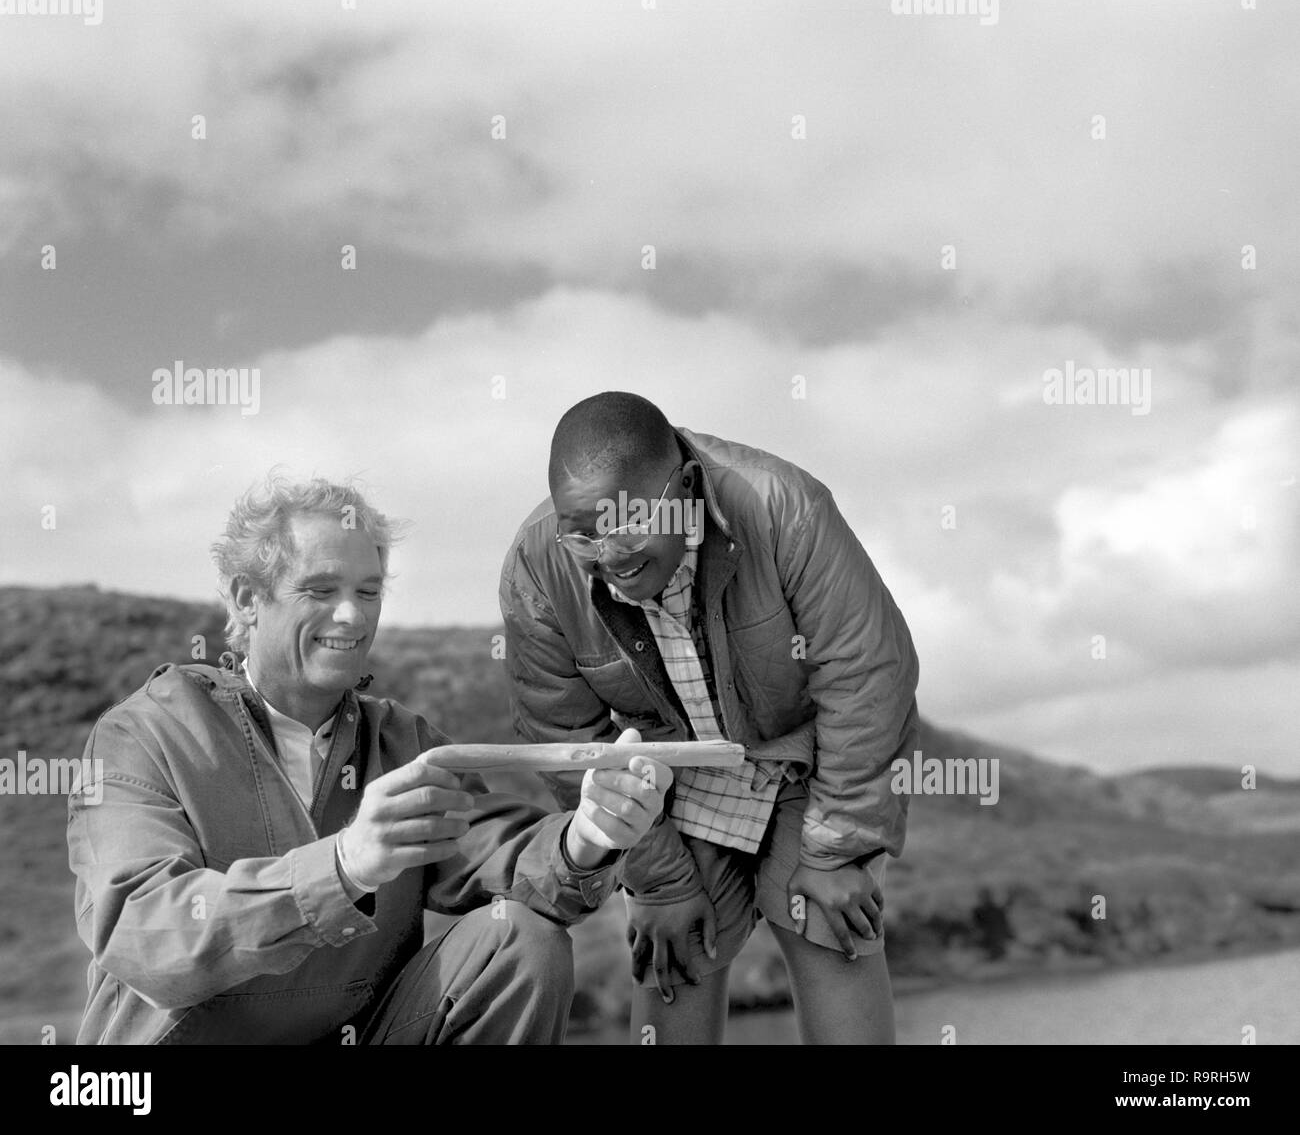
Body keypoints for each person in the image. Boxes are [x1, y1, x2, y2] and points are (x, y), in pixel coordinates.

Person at [67, 474, 671, 1045]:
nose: (353, 616)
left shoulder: (406, 744)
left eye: (368, 591)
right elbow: (143, 935)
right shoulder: (142, 734)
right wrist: (345, 864)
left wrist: (587, 837)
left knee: (522, 941)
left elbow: (515, 869)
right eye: (321, 590)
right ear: (248, 598)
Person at [499, 391, 920, 1044]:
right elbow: (572, 742)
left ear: (687, 487)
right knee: (675, 955)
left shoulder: (784, 507)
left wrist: (838, 846)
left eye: (626, 520)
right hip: (673, 774)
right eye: (582, 530)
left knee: (831, 928)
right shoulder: (536, 568)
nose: (608, 552)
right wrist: (659, 880)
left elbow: (867, 674)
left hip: (809, 755)